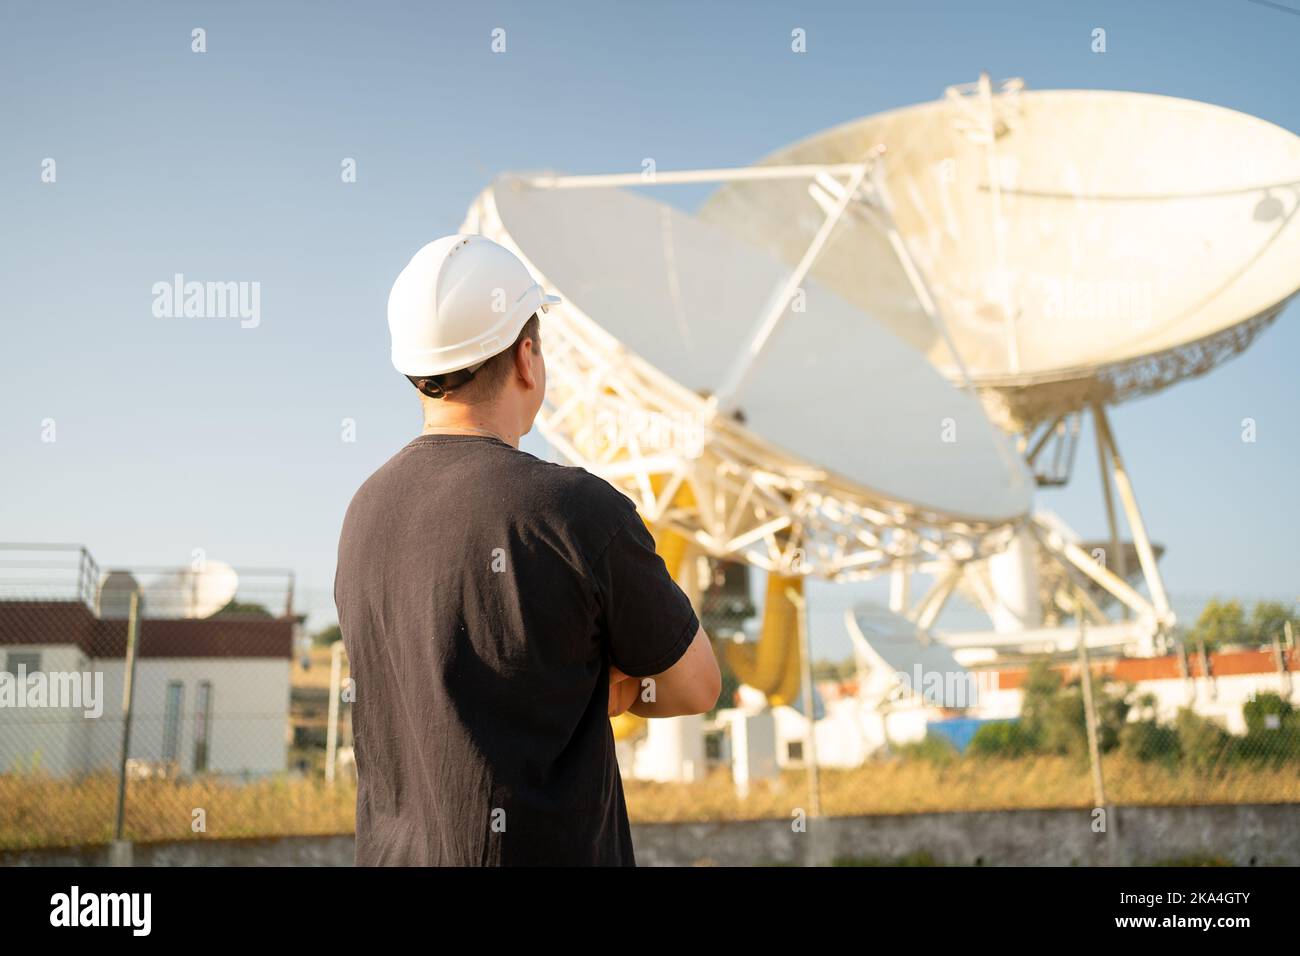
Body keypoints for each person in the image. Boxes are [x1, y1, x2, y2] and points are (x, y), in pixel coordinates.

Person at [334, 235, 720, 866]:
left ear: (413, 371)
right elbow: (696, 685)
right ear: (526, 357)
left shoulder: (364, 513)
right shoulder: (577, 512)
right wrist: (611, 687)